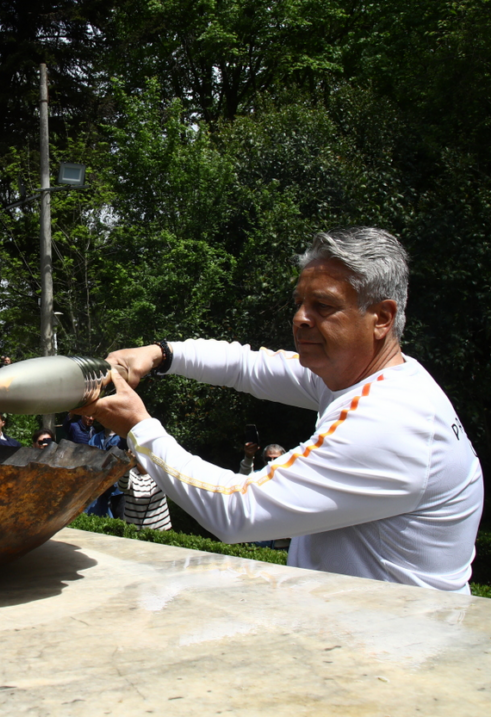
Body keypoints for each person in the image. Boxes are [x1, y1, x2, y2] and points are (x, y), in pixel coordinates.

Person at [84, 227, 484, 592]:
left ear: (381, 317)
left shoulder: (390, 421)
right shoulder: (364, 376)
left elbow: (237, 510)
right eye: (299, 302)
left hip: (391, 655)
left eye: (323, 306)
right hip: (371, 636)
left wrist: (138, 427)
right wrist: (159, 354)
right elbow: (249, 366)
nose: (299, 318)